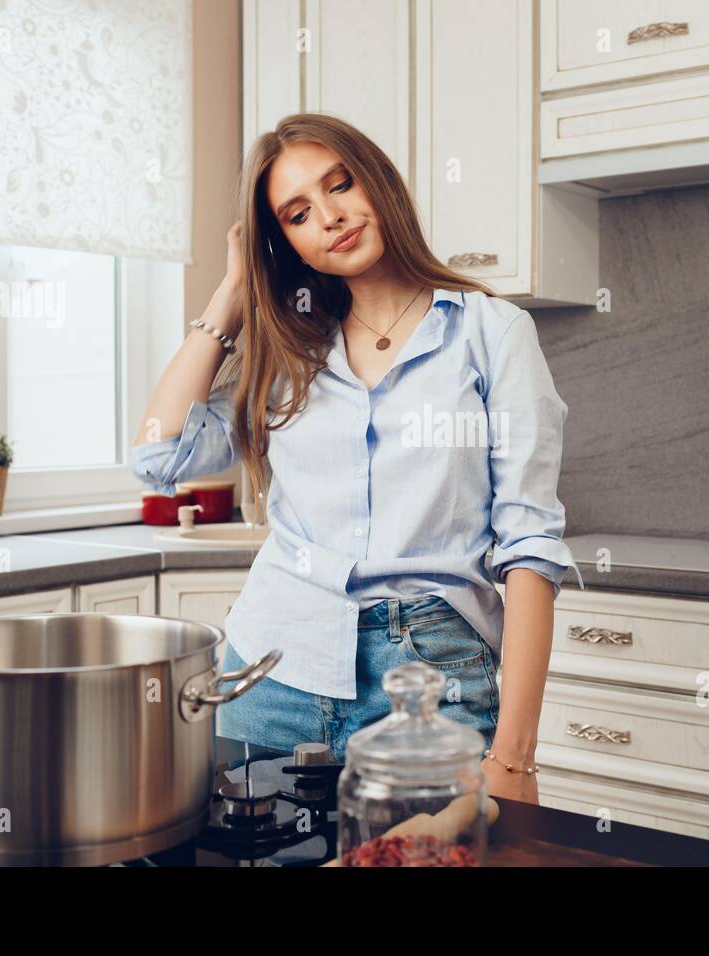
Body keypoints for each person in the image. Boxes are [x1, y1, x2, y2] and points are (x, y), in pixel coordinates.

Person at [130, 113, 579, 803]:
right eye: (299, 214)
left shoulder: (491, 332)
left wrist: (515, 760)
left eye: (341, 185)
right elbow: (161, 455)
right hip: (271, 671)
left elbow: (531, 550)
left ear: (379, 182)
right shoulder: (287, 355)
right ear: (288, 244)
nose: (331, 217)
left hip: (432, 679)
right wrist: (234, 290)